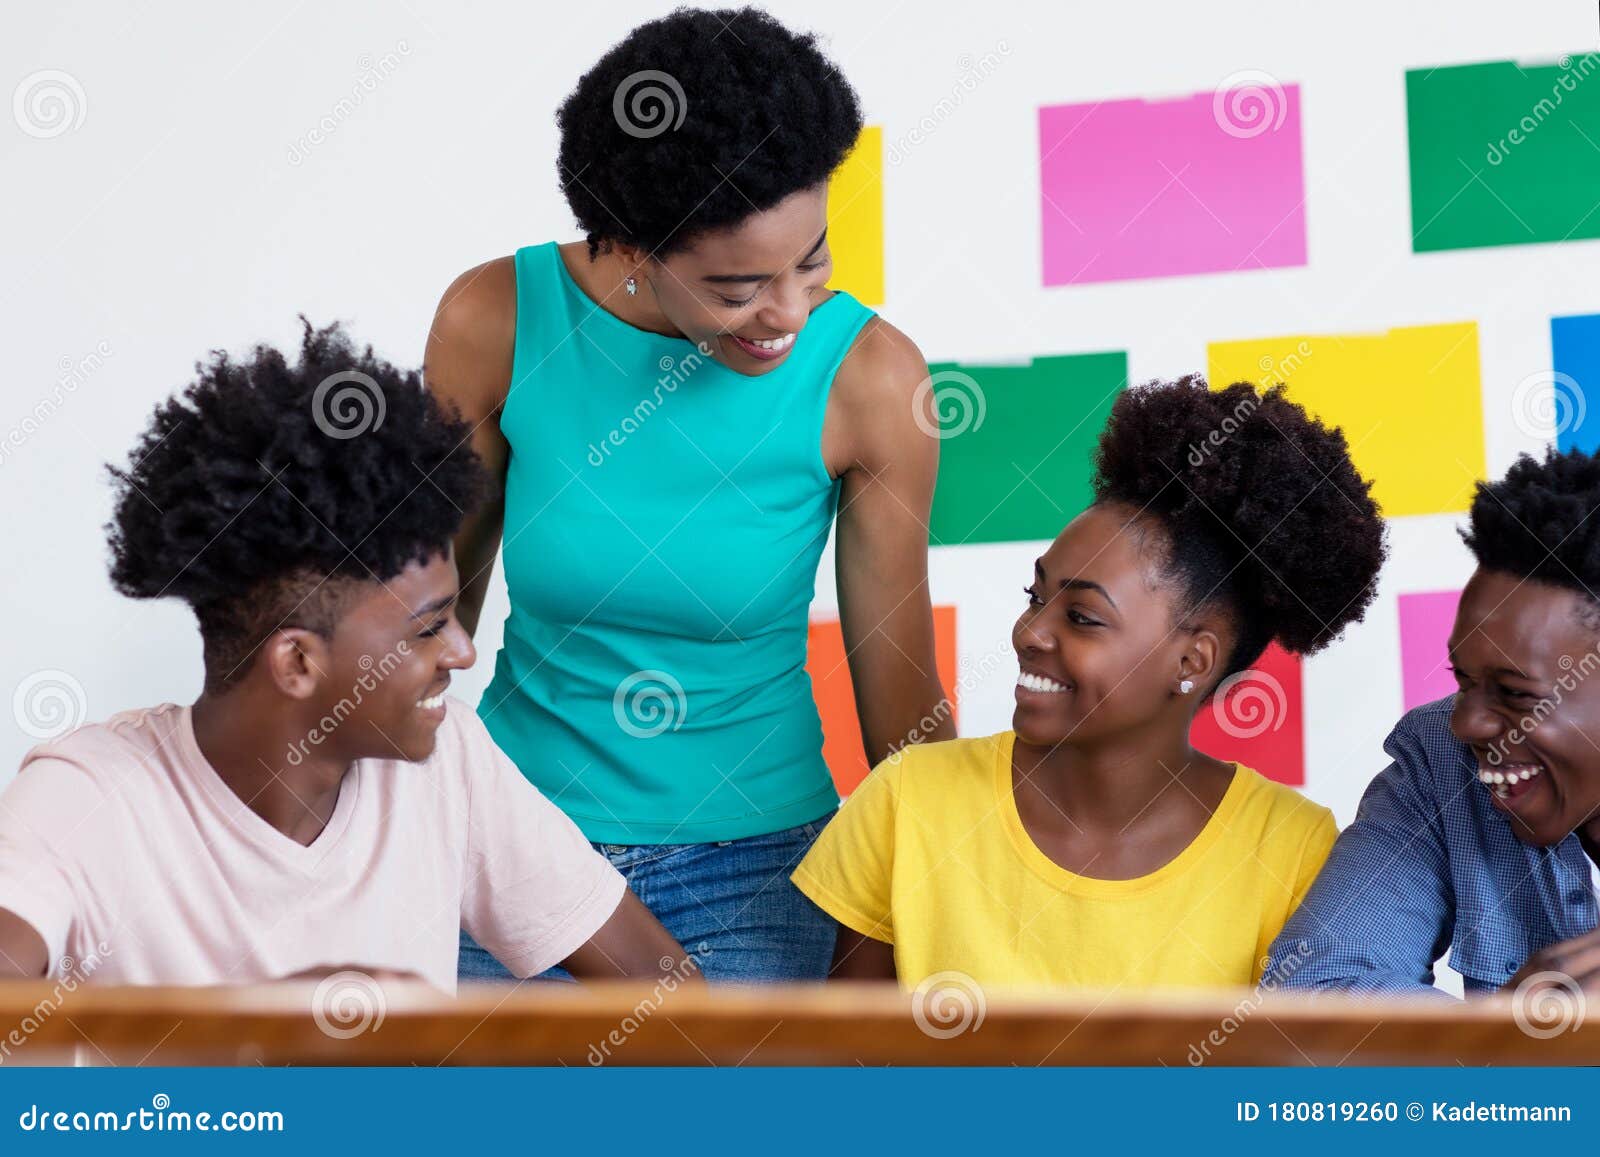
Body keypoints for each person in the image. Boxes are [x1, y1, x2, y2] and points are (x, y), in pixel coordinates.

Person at [426, 7, 951, 983]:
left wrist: (925, 918)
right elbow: (421, 614)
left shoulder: (873, 380)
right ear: (629, 246)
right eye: (739, 285)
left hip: (754, 864)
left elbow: (902, 710)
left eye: (811, 260)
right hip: (512, 837)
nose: (788, 312)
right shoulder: (492, 320)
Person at [0, 321, 691, 991]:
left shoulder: (450, 764)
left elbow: (673, 1000)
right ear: (297, 661)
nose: (463, 651)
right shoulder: (91, 793)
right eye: (428, 628)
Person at [794, 377, 1388, 988]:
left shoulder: (1294, 850)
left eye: (1082, 617)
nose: (1030, 632)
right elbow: (842, 1070)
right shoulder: (907, 803)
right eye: (1036, 596)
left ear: (1193, 662)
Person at [1271, 446, 1600, 997]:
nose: (1465, 724)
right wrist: (1508, 1037)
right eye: (1464, 681)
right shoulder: (1436, 762)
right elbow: (1317, 987)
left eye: (1516, 694)